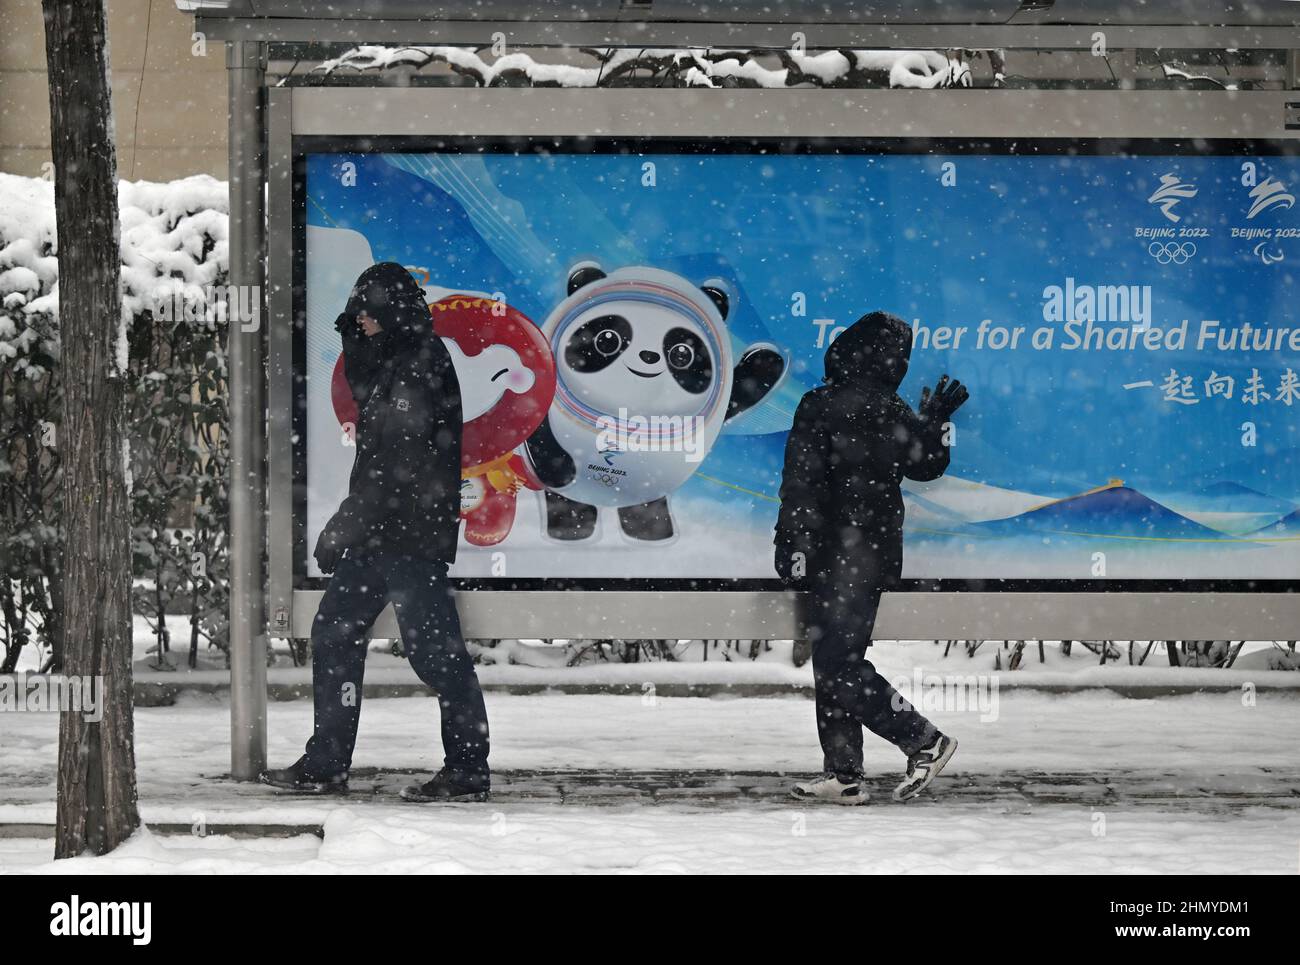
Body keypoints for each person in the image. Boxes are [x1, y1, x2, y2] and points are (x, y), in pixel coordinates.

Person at [260, 262, 491, 802]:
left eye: (368, 312)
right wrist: (353, 329)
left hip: (408, 537)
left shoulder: (421, 362)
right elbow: (363, 383)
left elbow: (396, 463)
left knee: (434, 654)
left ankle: (467, 770)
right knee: (335, 635)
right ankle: (326, 764)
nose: (360, 321)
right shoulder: (399, 357)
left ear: (390, 311)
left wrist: (342, 526)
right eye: (356, 312)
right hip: (380, 537)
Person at [774, 311, 968, 805]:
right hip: (875, 551)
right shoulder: (893, 408)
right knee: (837, 660)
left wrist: (792, 543)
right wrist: (935, 419)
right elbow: (924, 467)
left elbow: (801, 481)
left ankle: (924, 741)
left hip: (831, 550)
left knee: (837, 663)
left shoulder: (820, 403)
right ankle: (843, 774)